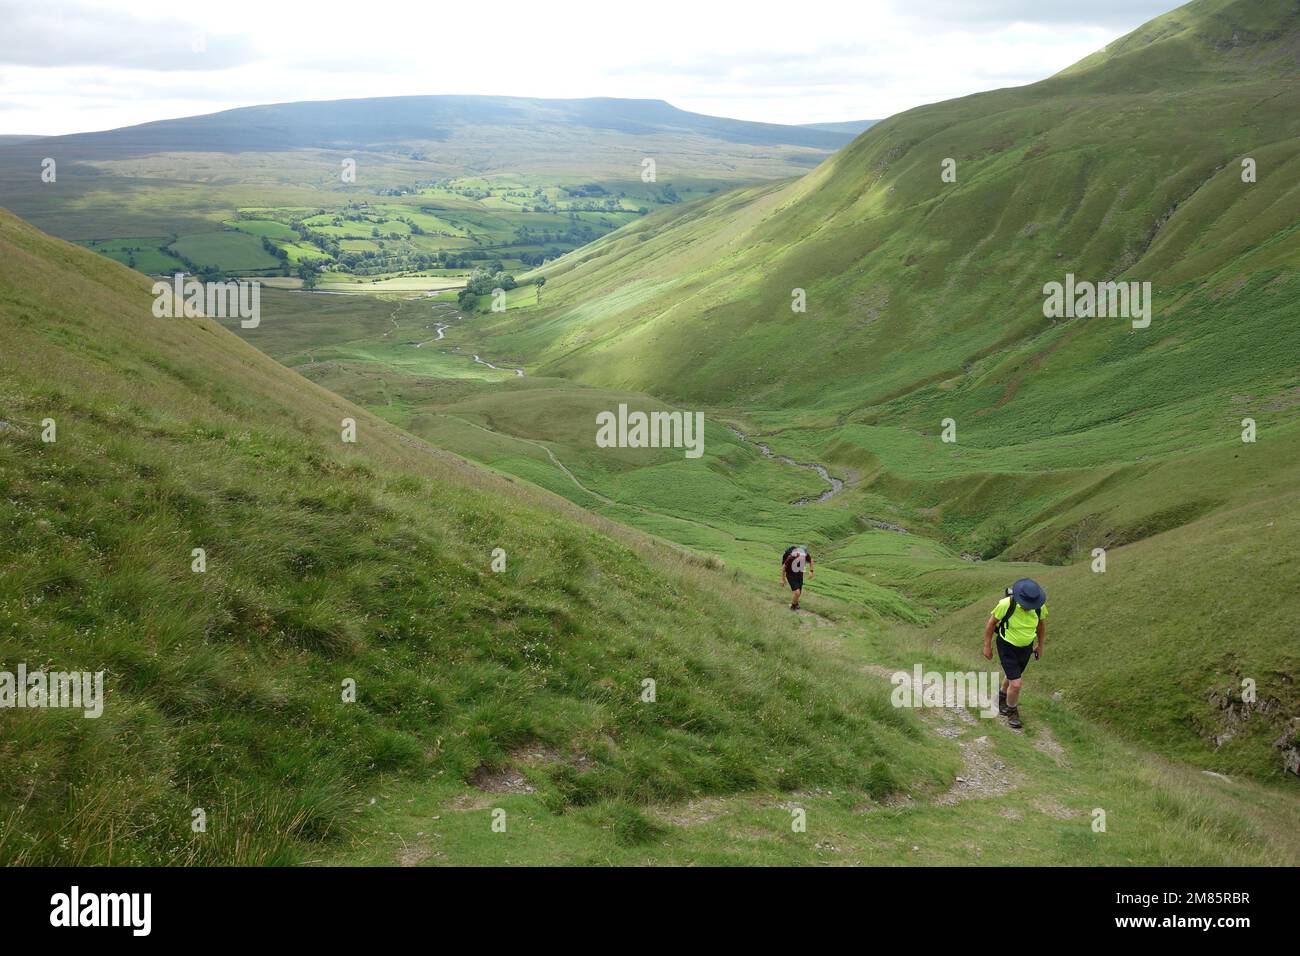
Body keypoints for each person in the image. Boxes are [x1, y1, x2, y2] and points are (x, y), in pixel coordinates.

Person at [982, 578, 1047, 729]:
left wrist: (1040, 645)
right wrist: (987, 646)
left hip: (1026, 647)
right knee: (1016, 684)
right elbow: (991, 623)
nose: (1029, 607)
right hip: (1007, 646)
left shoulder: (1039, 607)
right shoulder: (1006, 604)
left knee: (1013, 677)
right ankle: (1012, 711)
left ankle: (1000, 698)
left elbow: (1041, 625)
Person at [780, 545, 813, 610]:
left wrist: (811, 571)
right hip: (790, 575)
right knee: (797, 592)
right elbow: (783, 568)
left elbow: (811, 560)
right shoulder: (791, 557)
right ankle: (792, 607)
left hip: (799, 574)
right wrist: (782, 579)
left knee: (799, 593)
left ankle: (795, 604)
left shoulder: (805, 554)